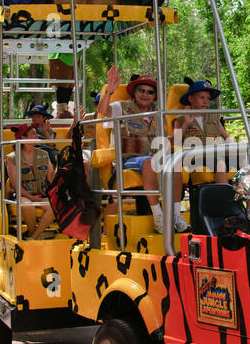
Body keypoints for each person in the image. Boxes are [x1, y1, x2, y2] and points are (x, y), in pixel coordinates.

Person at [143, 79, 229, 232]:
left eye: (208, 99)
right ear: (191, 98)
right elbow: (174, 141)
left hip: (215, 153)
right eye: (202, 98)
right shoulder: (181, 118)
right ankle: (224, 209)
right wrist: (186, 125)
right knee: (220, 164)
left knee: (248, 161)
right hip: (193, 157)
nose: (205, 102)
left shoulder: (213, 116)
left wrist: (237, 145)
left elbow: (225, 135)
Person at [97, 67, 172, 229]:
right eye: (141, 90)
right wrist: (109, 91)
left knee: (175, 161)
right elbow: (103, 111)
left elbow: (163, 142)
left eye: (150, 92)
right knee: (148, 162)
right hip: (127, 159)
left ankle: (176, 215)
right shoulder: (121, 107)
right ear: (134, 92)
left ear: (154, 96)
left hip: (151, 159)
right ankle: (159, 216)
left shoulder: (158, 115)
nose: (145, 94)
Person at [6, 144, 55, 239]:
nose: (36, 136)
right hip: (22, 194)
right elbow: (14, 183)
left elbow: (51, 178)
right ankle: (33, 233)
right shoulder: (12, 157)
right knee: (28, 205)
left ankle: (33, 237)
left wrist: (58, 171)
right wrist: (31, 197)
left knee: (53, 208)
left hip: (41, 194)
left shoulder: (44, 154)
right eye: (33, 134)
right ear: (23, 138)